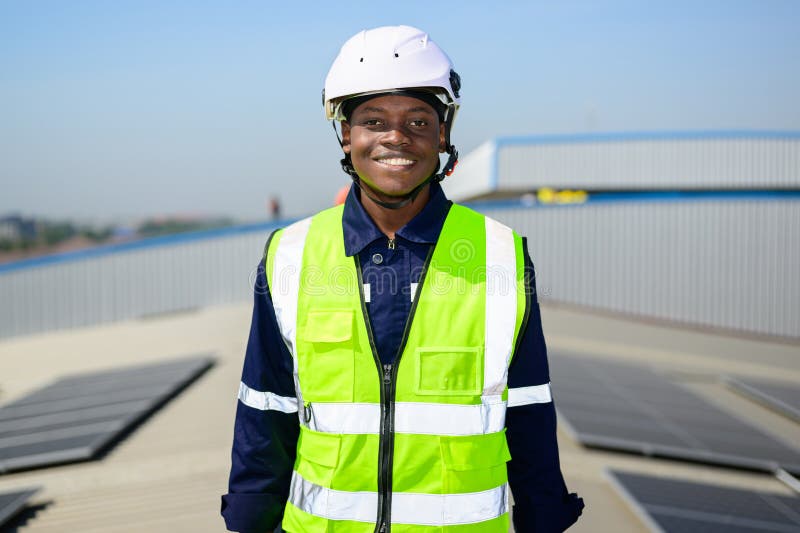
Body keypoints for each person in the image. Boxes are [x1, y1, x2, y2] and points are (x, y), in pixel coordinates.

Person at [222, 25, 584, 532]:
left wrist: (543, 517)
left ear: (443, 134)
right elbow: (266, 407)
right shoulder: (289, 254)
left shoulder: (502, 255)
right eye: (373, 121)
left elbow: (529, 410)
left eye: (417, 120)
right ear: (346, 135)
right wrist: (249, 520)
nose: (396, 137)